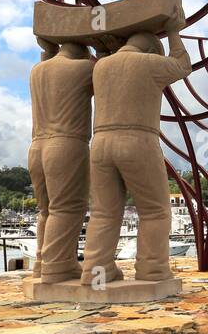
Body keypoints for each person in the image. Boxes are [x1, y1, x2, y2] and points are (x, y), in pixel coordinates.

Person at [80, 26, 191, 285]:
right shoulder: (150, 62)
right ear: (153, 50)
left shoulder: (101, 66)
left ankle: (96, 274)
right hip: (137, 139)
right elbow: (183, 65)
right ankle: (152, 272)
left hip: (100, 143)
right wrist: (175, 29)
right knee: (155, 211)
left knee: (104, 213)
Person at [28, 36, 96, 283]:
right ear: (83, 52)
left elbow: (52, 70)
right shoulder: (84, 68)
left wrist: (47, 51)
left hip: (37, 146)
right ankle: (58, 267)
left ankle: (41, 263)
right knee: (67, 208)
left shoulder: (37, 71)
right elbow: (110, 77)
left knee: (46, 210)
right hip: (66, 143)